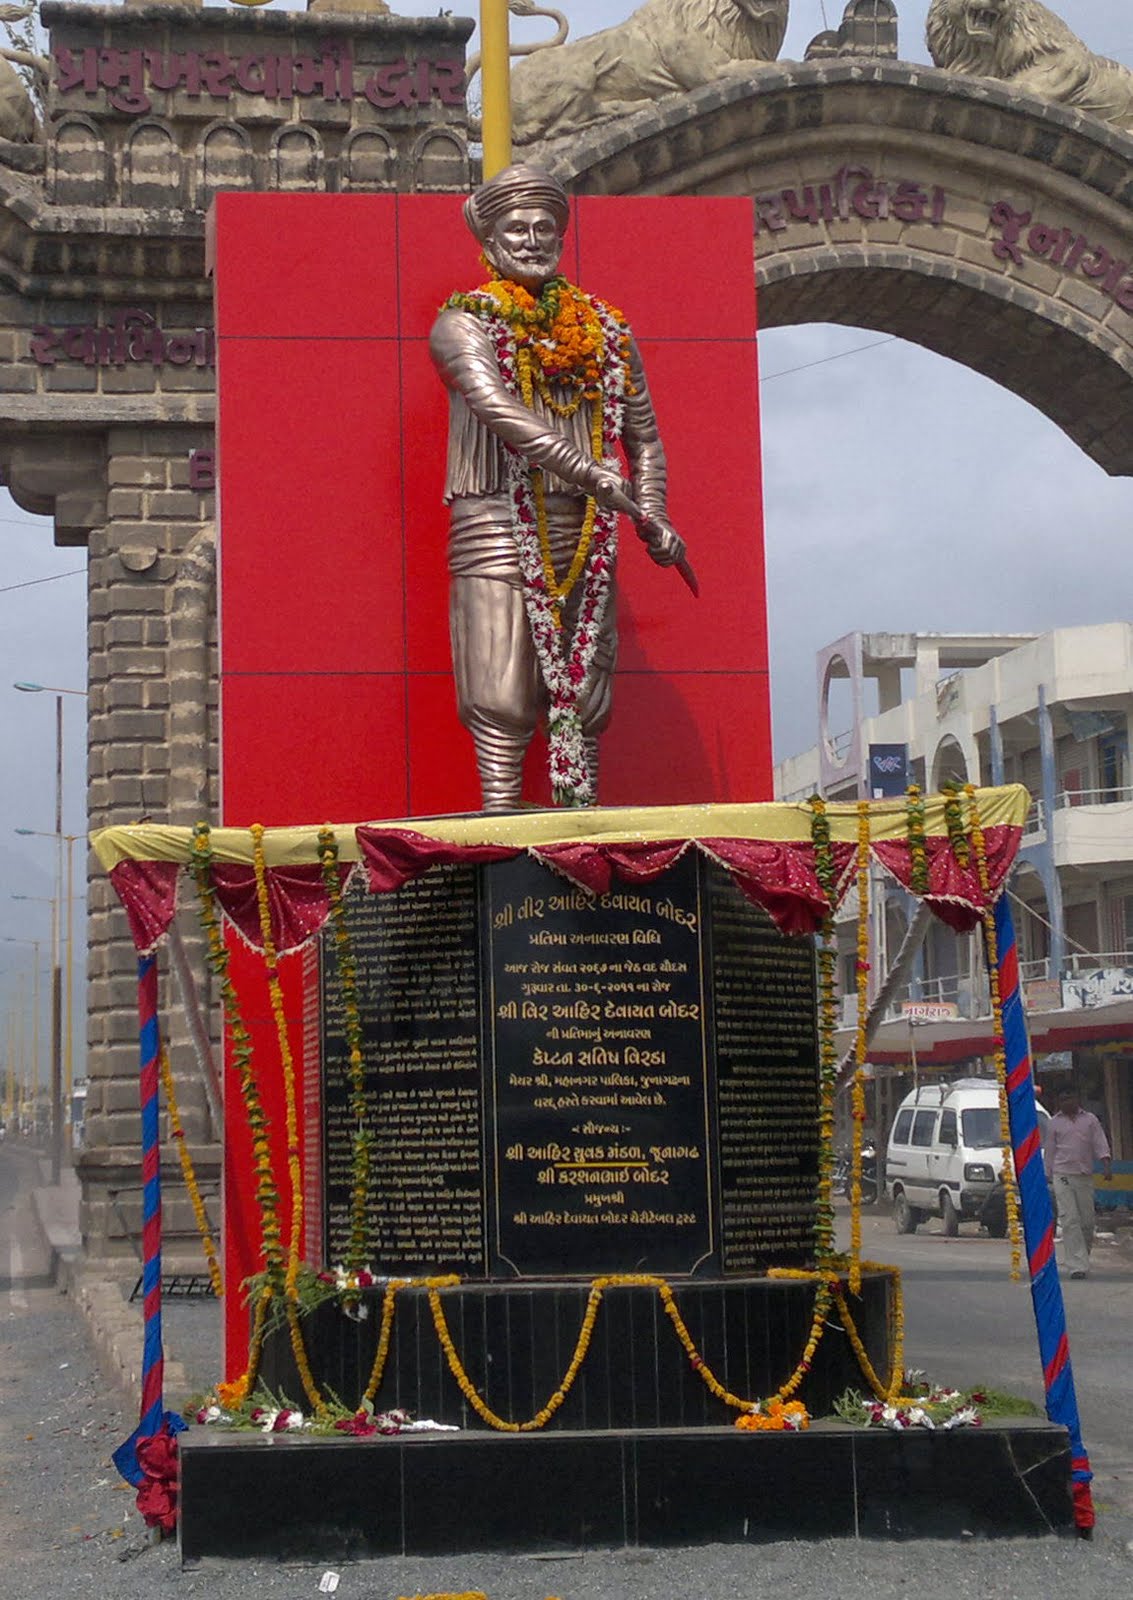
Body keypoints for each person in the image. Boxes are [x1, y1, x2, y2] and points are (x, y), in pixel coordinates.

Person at [430, 163, 688, 812]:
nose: (531, 240)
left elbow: (644, 438)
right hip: (496, 524)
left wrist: (652, 512)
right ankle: (499, 818)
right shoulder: (464, 323)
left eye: (544, 228)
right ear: (489, 241)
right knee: (499, 688)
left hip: (587, 531)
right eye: (516, 229)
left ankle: (582, 822)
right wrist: (590, 470)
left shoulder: (607, 330)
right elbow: (496, 408)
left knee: (586, 693)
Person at [1043, 1083, 1112, 1279]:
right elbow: (1050, 1150)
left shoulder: (1090, 1120)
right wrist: (1046, 1174)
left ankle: (1082, 1257)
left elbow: (1100, 1142)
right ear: (1059, 1102)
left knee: (1087, 1222)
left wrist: (1106, 1164)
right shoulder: (1054, 1123)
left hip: (1084, 1175)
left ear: (1077, 1099)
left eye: (1070, 1098)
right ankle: (1076, 1266)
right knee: (1070, 1219)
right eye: (1063, 1099)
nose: (1067, 1102)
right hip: (1062, 1175)